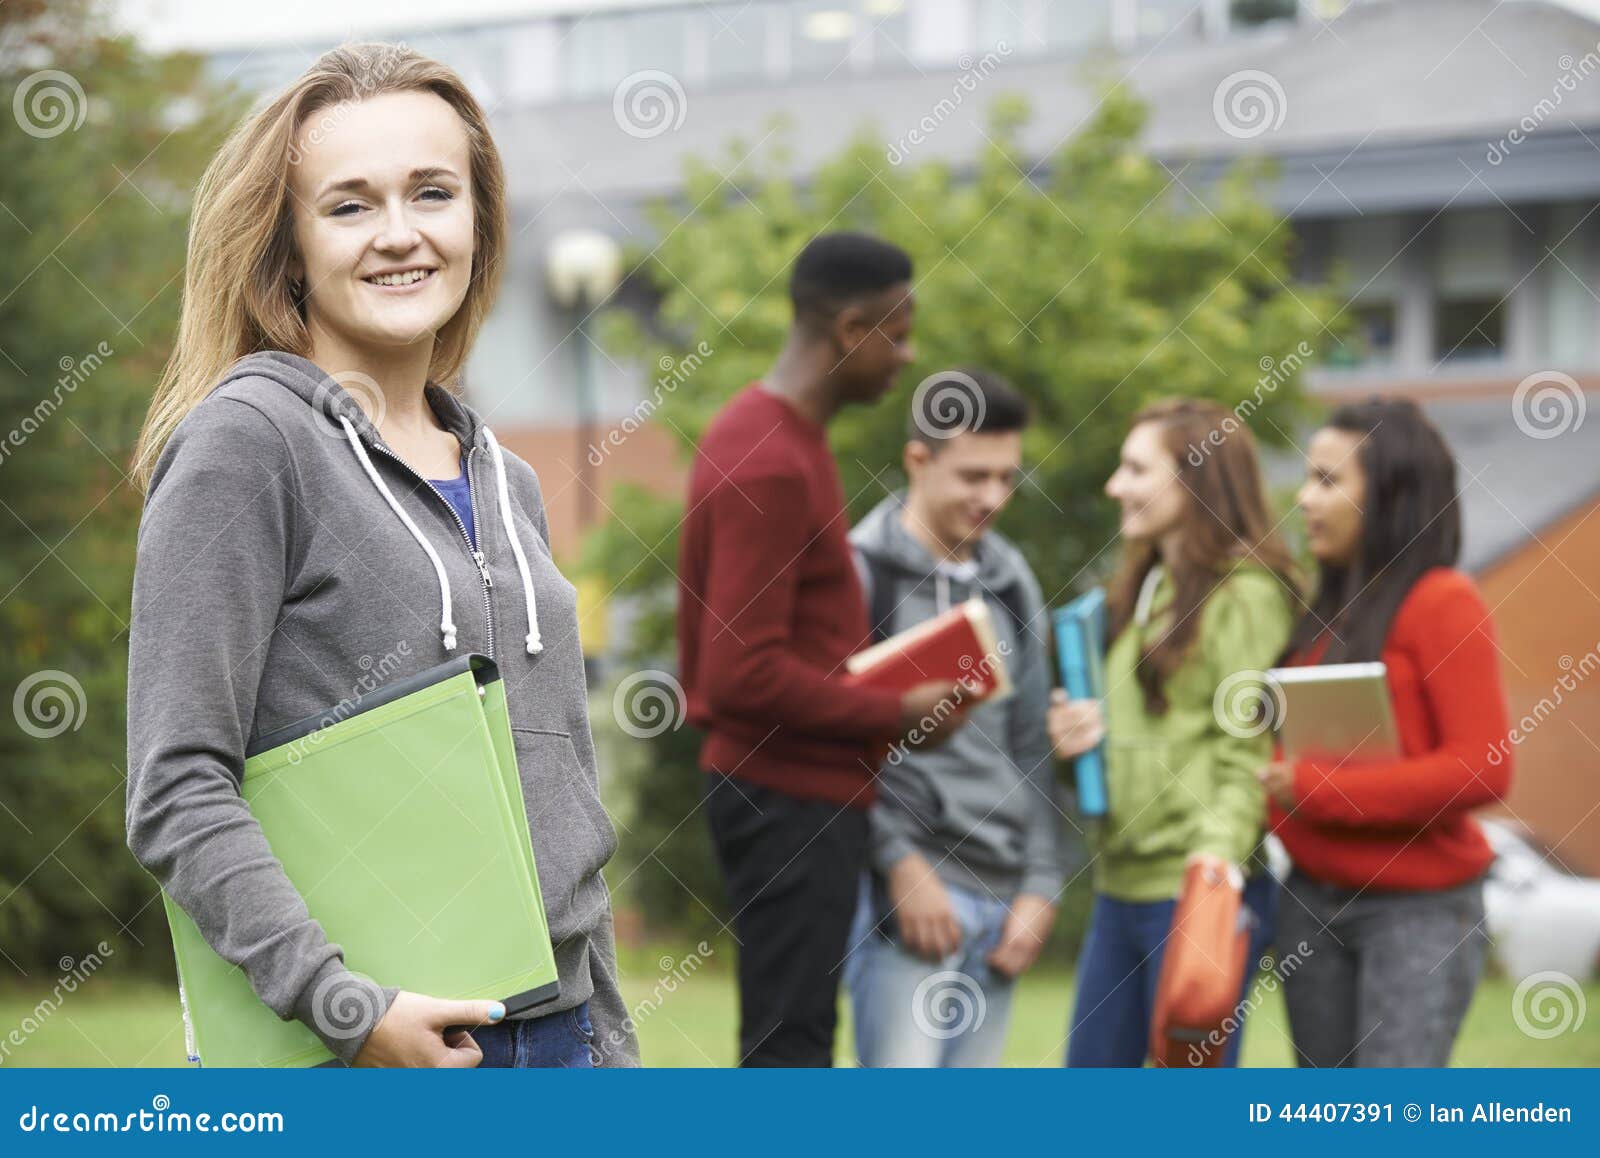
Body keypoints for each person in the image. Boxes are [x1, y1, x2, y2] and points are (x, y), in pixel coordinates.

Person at [125, 44, 637, 1068]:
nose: (400, 234)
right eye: (350, 206)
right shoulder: (249, 445)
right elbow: (176, 781)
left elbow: (557, 799)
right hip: (365, 1053)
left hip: (560, 1042)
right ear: (289, 244)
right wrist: (340, 1003)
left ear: (478, 218)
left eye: (433, 193)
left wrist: (611, 1049)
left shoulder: (504, 476)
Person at [677, 232, 970, 1067]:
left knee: (796, 1033)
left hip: (806, 794)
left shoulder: (781, 437)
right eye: (899, 333)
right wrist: (897, 709)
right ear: (850, 329)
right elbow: (741, 673)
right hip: (786, 798)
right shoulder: (768, 458)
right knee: (790, 1044)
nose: (907, 357)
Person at [1261, 398, 1511, 1068]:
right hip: (1310, 901)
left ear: (1392, 495)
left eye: (1328, 481)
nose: (1305, 500)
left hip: (1419, 912)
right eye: (1306, 479)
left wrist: (1314, 788)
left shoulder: (1442, 602)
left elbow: (1483, 768)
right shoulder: (1320, 615)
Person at [1051, 398, 1299, 1067]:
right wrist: (1078, 742)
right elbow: (1149, 730)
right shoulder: (1145, 585)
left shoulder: (1247, 596)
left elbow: (1243, 750)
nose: (1115, 486)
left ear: (1196, 481)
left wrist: (1214, 868)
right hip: (1119, 884)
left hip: (1193, 887)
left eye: (1135, 469)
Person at [842, 369, 1067, 1067]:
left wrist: (1042, 884)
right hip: (906, 907)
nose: (993, 497)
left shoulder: (1012, 579)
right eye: (974, 476)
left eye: (1006, 478)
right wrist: (900, 865)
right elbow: (834, 744)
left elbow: (1031, 741)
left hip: (1004, 905)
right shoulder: (858, 575)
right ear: (918, 460)